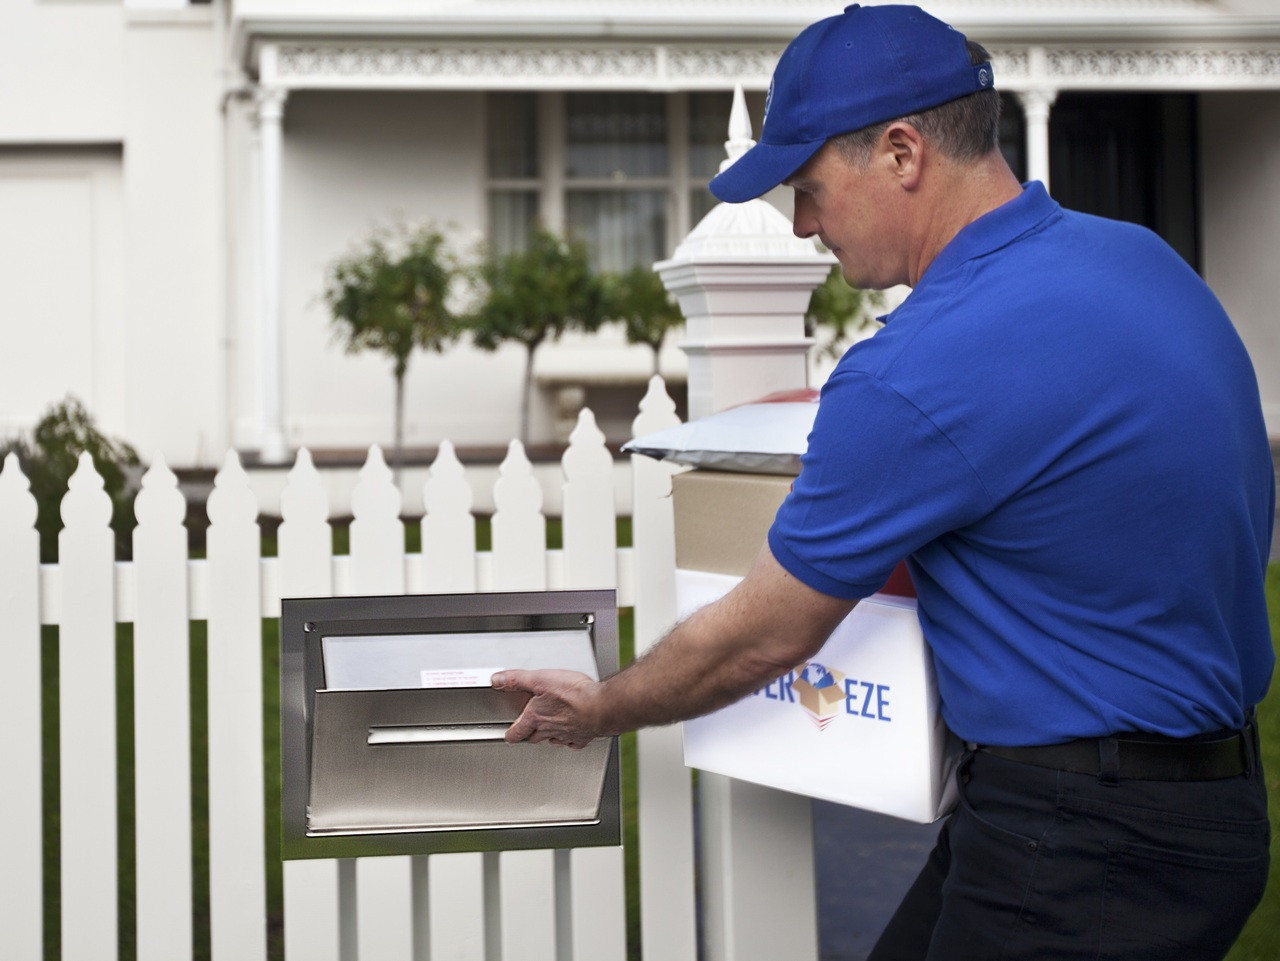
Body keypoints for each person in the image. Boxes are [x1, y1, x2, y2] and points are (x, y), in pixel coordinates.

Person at [492, 4, 1274, 958]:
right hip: (1205, 801)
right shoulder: (1145, 263)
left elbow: (765, 636)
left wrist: (603, 705)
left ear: (902, 152)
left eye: (809, 187)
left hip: (1086, 838)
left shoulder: (917, 368)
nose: (805, 225)